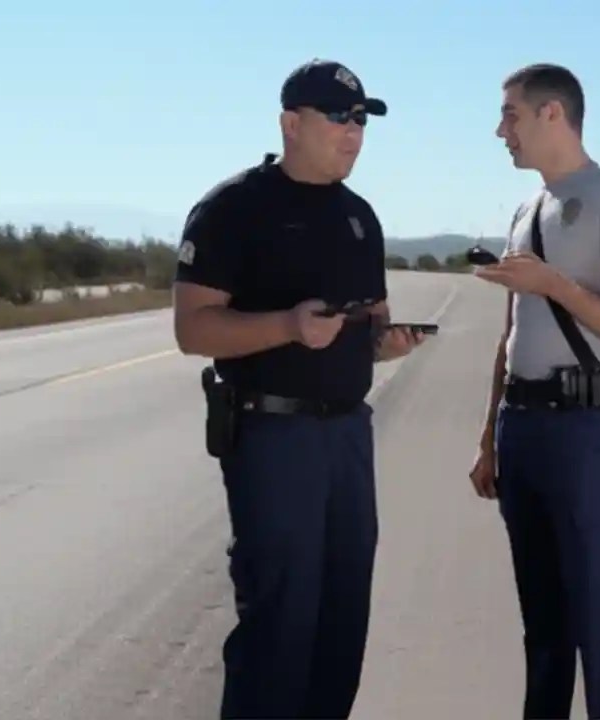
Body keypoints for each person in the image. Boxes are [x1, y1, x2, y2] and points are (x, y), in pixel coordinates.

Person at [171, 58, 426, 719]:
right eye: (340, 117)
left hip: (347, 435)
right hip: (272, 436)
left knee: (343, 618)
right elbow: (193, 329)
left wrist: (386, 345)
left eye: (363, 119)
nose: (355, 131)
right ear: (291, 123)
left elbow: (371, 325)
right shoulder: (232, 209)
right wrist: (287, 325)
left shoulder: (359, 219)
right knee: (280, 622)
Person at [470, 63, 600, 719]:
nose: (502, 131)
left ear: (553, 114)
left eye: (511, 115)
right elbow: (511, 333)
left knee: (595, 610)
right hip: (521, 429)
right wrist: (488, 438)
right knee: (543, 618)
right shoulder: (528, 209)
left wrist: (556, 285)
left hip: (585, 427)